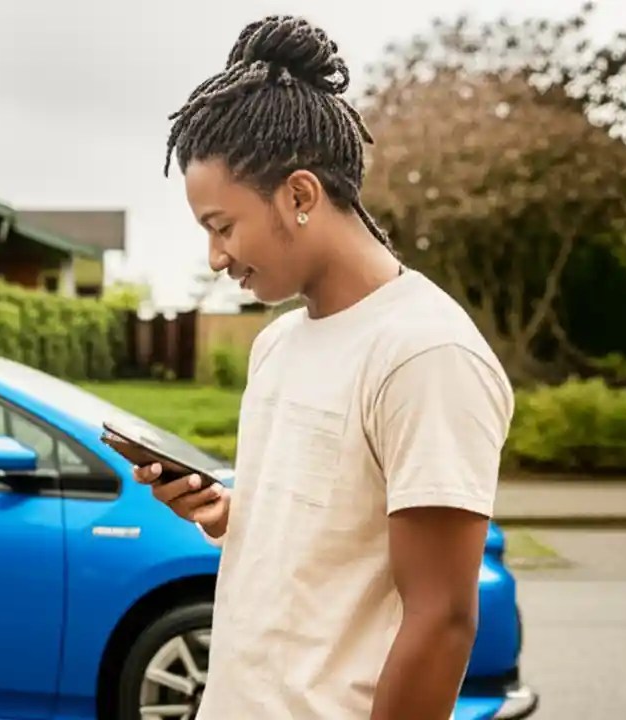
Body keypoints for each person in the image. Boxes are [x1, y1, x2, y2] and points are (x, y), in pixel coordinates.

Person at [136, 14, 515, 720]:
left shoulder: (426, 354)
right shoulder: (277, 345)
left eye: (223, 226)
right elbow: (324, 537)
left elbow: (441, 622)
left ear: (301, 196)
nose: (216, 257)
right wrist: (227, 513)